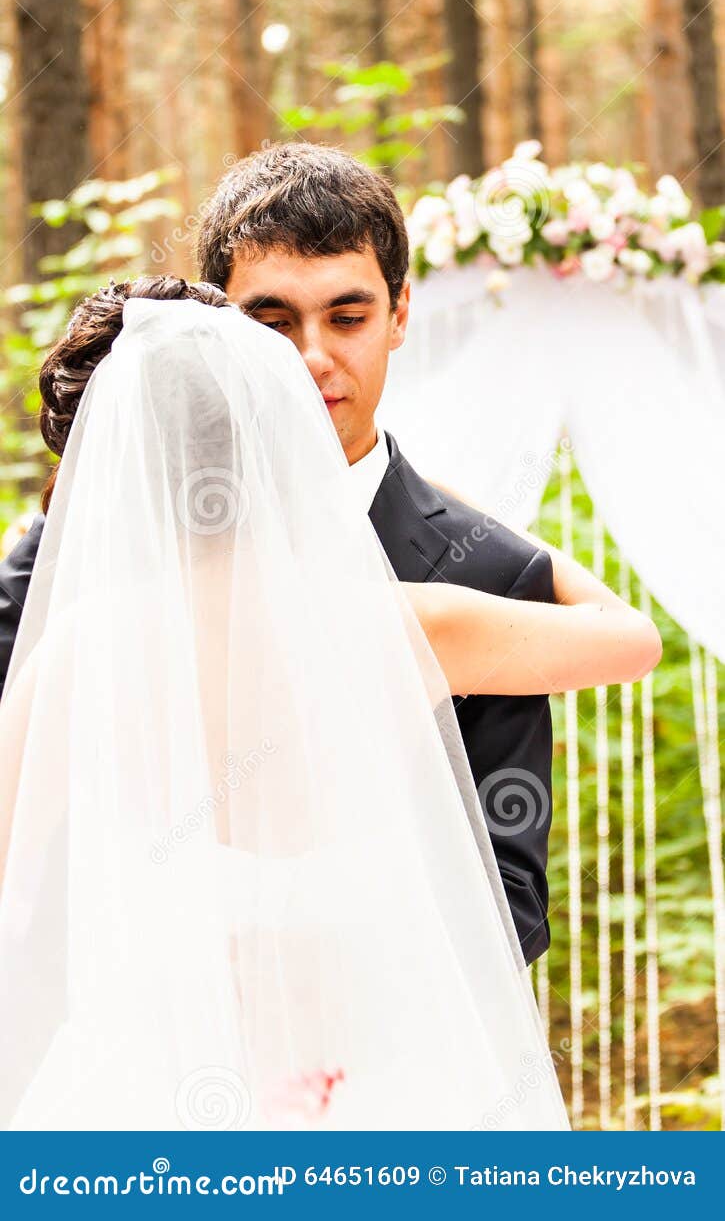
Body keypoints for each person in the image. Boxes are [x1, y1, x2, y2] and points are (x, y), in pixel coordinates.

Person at [0, 286, 658, 1130]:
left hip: (140, 1090)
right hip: (382, 1084)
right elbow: (629, 638)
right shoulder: (400, 625)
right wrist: (466, 507)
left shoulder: (74, 655)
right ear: (277, 440)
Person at [0, 142, 658, 963]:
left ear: (399, 313)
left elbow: (510, 909)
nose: (311, 357)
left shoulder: (489, 571)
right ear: (215, 333)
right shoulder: (75, 551)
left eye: (346, 318)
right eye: (271, 324)